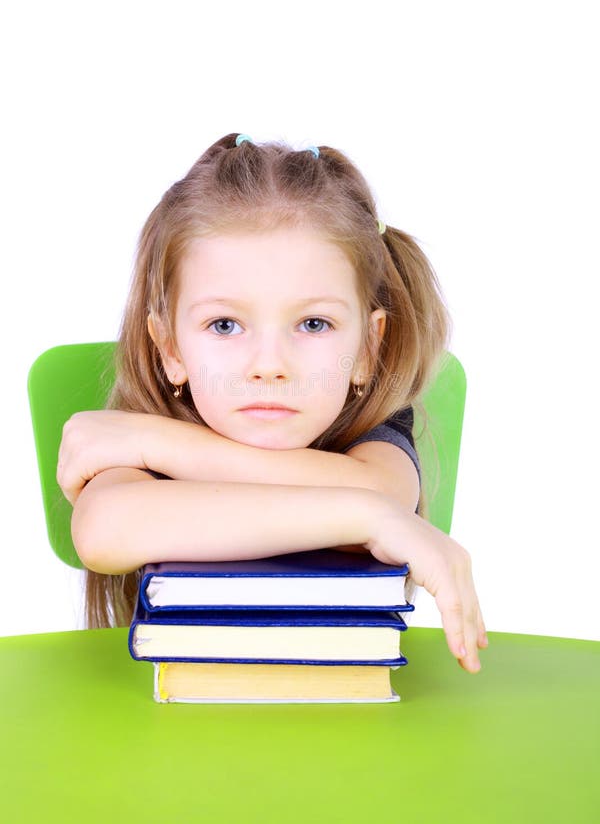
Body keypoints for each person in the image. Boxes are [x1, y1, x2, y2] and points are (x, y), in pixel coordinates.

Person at [57, 133, 487, 673]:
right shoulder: (149, 421)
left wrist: (158, 443)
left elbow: (381, 492)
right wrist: (365, 519)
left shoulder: (373, 431)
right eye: (225, 324)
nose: (269, 365)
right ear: (170, 348)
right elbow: (107, 530)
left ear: (366, 348)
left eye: (313, 323)